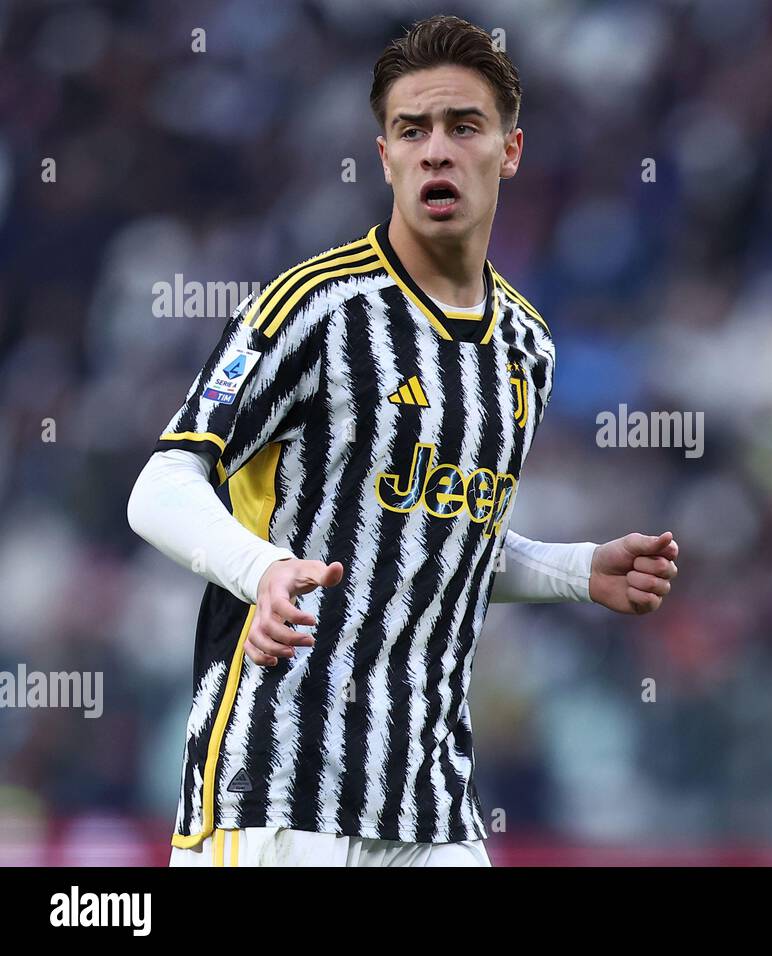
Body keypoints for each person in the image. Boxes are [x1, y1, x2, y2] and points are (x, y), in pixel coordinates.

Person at [127, 14, 678, 867]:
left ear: (512, 149)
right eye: (411, 131)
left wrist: (579, 570)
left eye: (464, 127)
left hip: (431, 802)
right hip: (276, 786)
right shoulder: (314, 307)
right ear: (384, 157)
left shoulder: (527, 349)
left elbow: (436, 544)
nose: (436, 151)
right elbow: (160, 488)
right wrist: (262, 569)